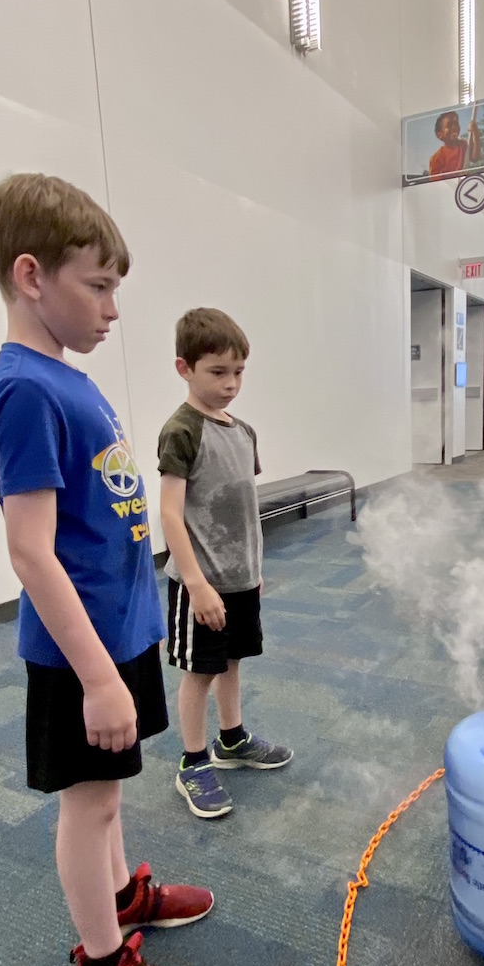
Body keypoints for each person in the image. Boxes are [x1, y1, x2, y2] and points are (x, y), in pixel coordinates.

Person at [0, 173, 213, 966]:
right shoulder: (25, 390)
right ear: (31, 276)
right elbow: (29, 550)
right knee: (90, 806)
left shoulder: (65, 377)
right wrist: (97, 680)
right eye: (99, 286)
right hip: (79, 653)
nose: (114, 309)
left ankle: (120, 897)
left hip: (117, 632)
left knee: (109, 795)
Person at [158, 307, 293, 820]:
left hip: (239, 580)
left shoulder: (244, 431)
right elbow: (170, 513)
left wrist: (253, 571)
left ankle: (231, 740)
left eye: (238, 372)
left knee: (232, 661)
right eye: (217, 372)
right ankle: (193, 762)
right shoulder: (181, 430)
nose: (231, 383)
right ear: (184, 368)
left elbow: (240, 507)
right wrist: (196, 584)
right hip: (201, 585)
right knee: (201, 672)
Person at [429, 107, 482, 178]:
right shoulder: (437, 158)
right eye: (449, 125)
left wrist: (475, 133)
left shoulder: (463, 144)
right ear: (440, 135)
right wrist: (456, 177)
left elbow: (475, 158)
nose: (454, 127)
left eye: (456, 123)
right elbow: (436, 181)